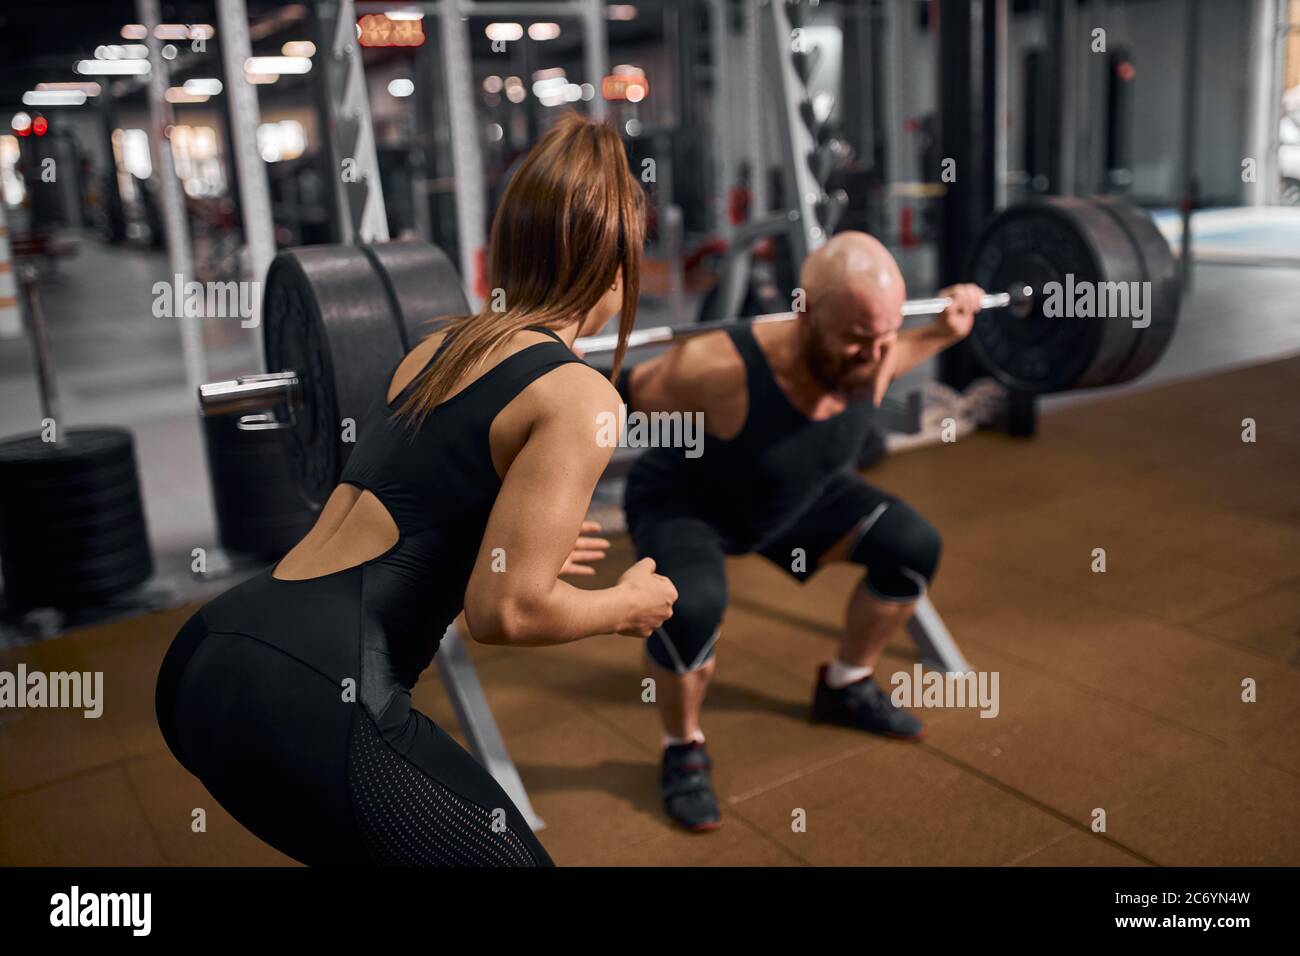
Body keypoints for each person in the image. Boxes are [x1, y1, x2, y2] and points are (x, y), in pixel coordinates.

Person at [155, 113, 677, 866]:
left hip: (207, 658)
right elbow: (510, 613)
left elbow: (414, 516)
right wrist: (625, 608)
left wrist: (503, 554)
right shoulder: (582, 397)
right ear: (617, 263)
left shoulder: (432, 348)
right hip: (314, 692)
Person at [620, 232, 984, 831]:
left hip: (795, 498)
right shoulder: (716, 368)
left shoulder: (875, 346)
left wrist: (942, 333)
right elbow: (601, 407)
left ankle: (846, 684)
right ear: (803, 311)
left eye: (887, 336)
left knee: (912, 547)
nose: (875, 356)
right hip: (691, 505)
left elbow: (887, 350)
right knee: (692, 610)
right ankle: (682, 747)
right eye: (858, 340)